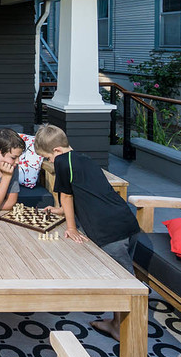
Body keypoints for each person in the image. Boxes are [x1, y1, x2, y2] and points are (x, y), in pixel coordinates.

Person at [33, 124, 140, 341]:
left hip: (109, 230)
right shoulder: (85, 159)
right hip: (125, 221)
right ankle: (115, 323)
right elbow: (85, 192)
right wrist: (60, 211)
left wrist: (71, 228)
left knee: (123, 283)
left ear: (56, 151)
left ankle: (132, 335)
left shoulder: (62, 162)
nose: (51, 163)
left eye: (48, 158)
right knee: (120, 276)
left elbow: (68, 196)